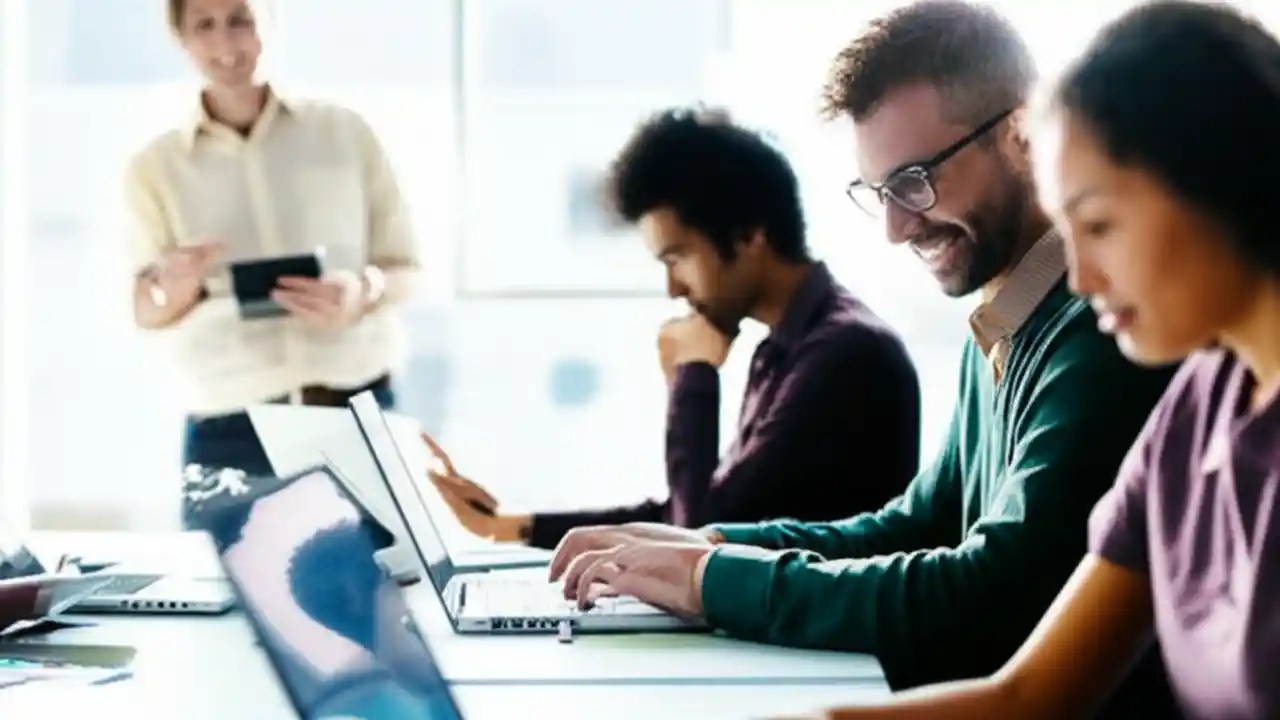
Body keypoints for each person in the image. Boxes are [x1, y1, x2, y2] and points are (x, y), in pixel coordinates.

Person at [547, 3, 1181, 714]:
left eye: (915, 181)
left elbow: (991, 592)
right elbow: (919, 522)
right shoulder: (1003, 317)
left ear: (1022, 135)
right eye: (880, 193)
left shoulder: (1103, 333)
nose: (893, 227)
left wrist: (710, 577)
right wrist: (706, 545)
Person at [801, 2, 1280, 719]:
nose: (1080, 278)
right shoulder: (1196, 405)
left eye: (1099, 224)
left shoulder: (1114, 362)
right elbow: (1028, 696)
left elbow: (990, 598)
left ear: (1216, 182)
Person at [424, 107, 922, 550]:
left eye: (678, 257)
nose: (672, 289)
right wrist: (511, 526)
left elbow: (697, 538)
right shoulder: (786, 350)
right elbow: (690, 512)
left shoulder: (844, 354)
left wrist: (692, 375)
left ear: (749, 233)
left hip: (825, 653)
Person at [125, 0, 419, 489]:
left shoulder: (345, 133)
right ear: (181, 37)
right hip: (230, 429)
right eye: (204, 25)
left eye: (241, 19)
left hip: (357, 415)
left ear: (270, 21)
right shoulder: (154, 166)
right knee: (228, 570)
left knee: (389, 567)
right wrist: (172, 287)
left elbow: (408, 270)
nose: (226, 42)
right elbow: (145, 309)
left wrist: (361, 293)